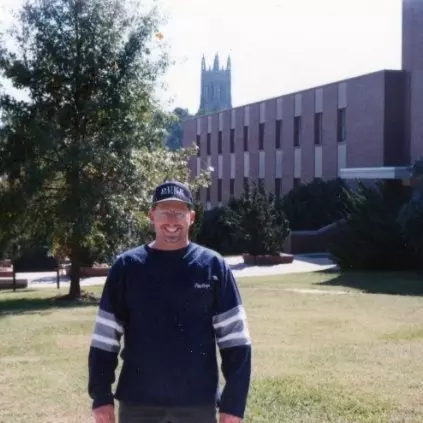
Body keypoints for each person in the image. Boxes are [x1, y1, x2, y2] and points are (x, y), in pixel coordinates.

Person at [88, 180, 252, 423]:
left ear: (192, 217)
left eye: (179, 212)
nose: (172, 221)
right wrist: (101, 395)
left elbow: (236, 340)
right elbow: (105, 338)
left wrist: (234, 402)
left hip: (197, 404)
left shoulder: (213, 267)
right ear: (152, 215)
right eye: (165, 212)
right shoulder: (127, 267)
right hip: (138, 404)